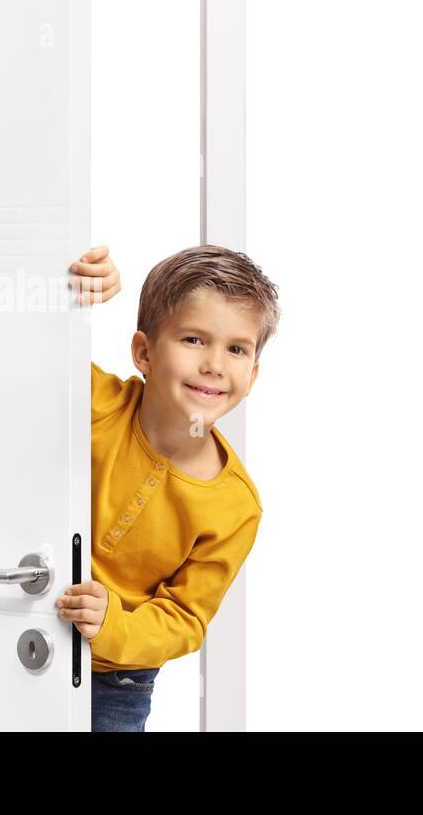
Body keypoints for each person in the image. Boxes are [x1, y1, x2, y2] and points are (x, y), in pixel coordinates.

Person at [57, 244, 280, 731]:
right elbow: (26, 356)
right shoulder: (97, 404)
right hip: (28, 635)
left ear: (253, 375)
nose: (215, 364)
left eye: (237, 349)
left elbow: (185, 618)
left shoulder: (236, 507)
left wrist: (113, 625)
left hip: (116, 685)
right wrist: (72, 296)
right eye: (195, 339)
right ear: (144, 352)